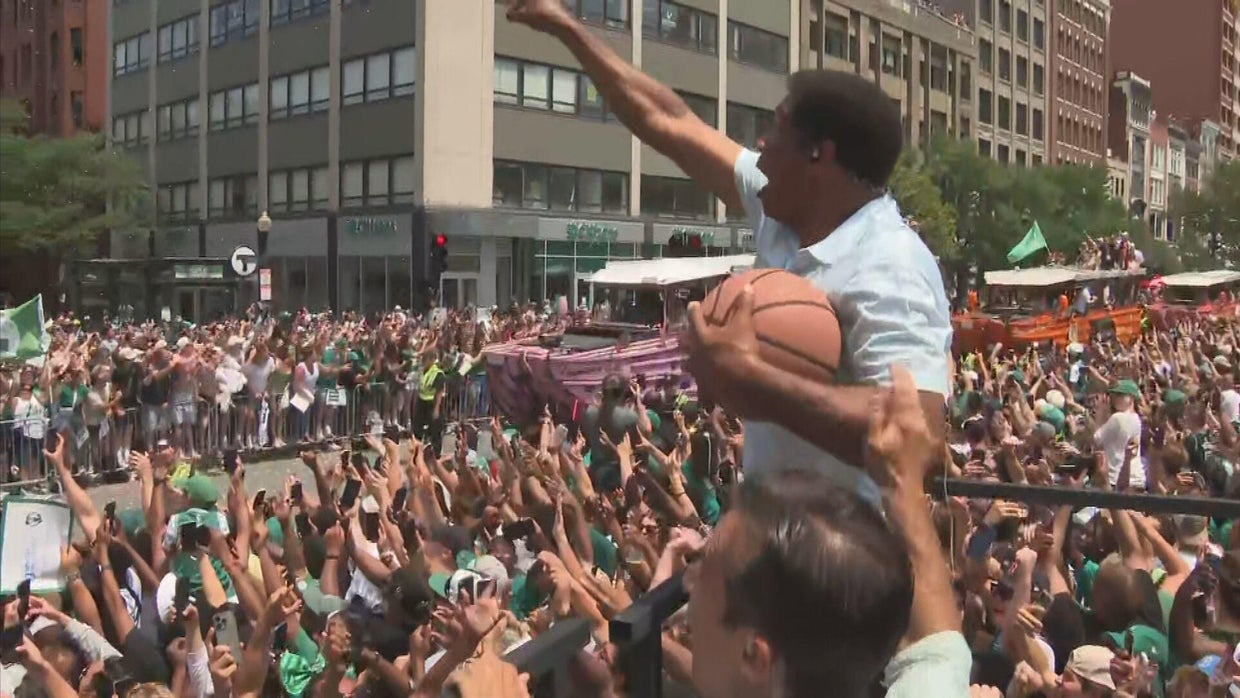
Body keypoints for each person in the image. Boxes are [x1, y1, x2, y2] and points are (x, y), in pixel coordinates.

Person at [506, 0, 951, 499]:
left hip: (848, 559)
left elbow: (920, 435)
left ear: (818, 155)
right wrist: (568, 28)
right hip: (772, 531)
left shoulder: (891, 266)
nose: (760, 143)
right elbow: (667, 119)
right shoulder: (783, 209)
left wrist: (748, 376)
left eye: (776, 128)